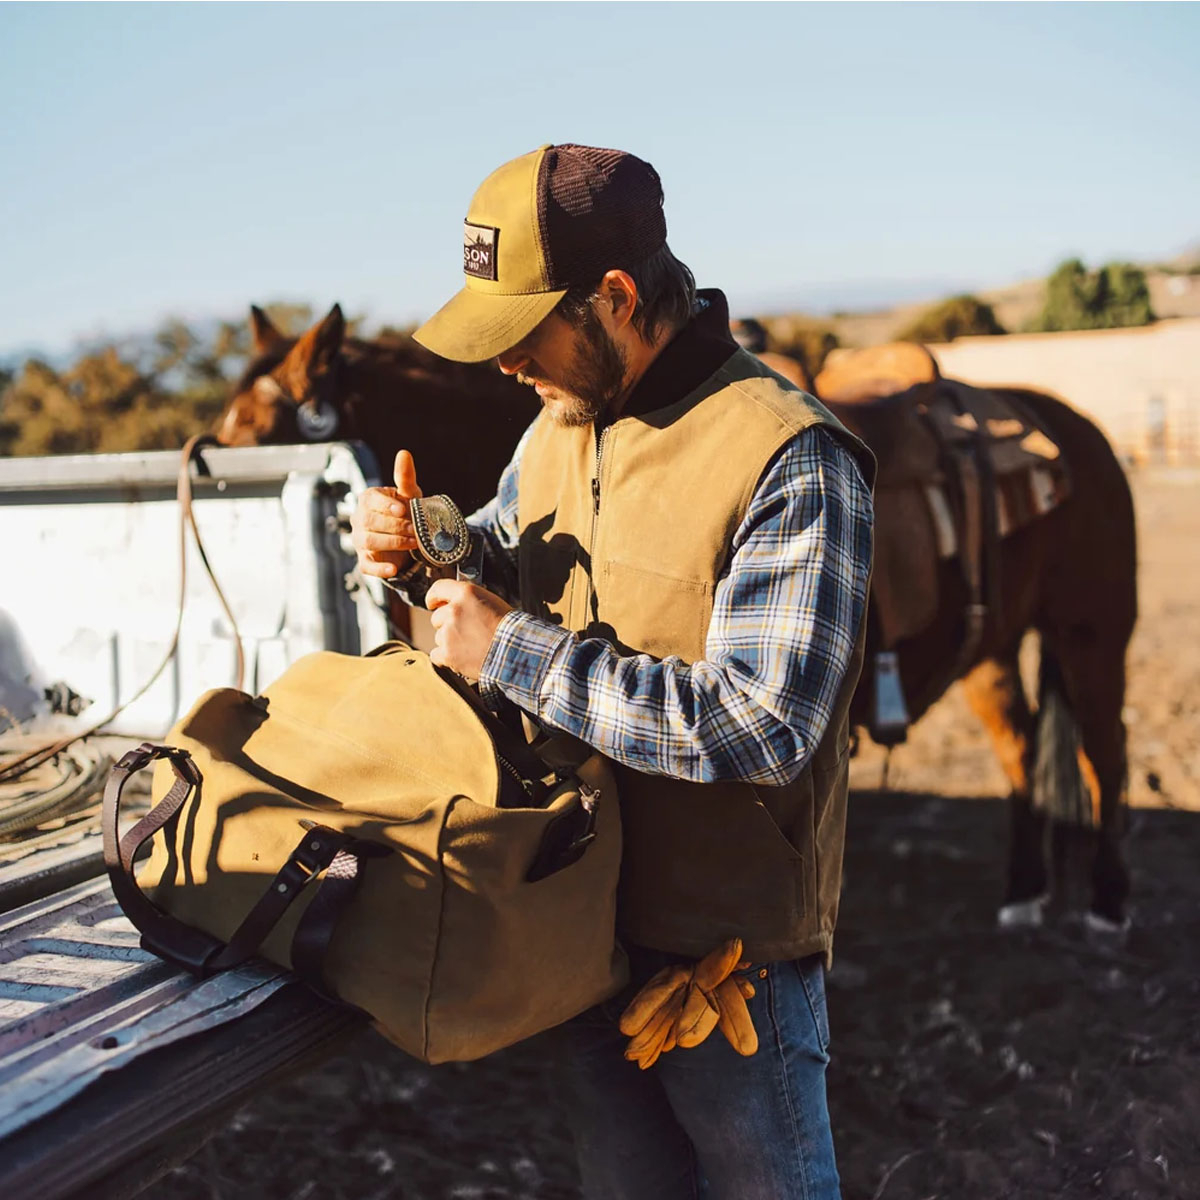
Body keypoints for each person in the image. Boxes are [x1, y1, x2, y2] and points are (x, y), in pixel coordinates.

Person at [351, 143, 875, 1200]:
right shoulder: (558, 422)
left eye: (522, 333)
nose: (505, 365)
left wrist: (509, 648)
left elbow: (764, 723)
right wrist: (422, 552)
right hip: (579, 930)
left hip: (728, 959)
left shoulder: (791, 456)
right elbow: (507, 555)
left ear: (619, 298)